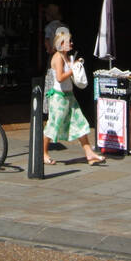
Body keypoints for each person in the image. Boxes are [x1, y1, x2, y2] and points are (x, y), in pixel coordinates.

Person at [43, 26, 105, 166]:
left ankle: (89, 153)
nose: (71, 43)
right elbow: (59, 78)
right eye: (68, 41)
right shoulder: (58, 57)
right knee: (53, 125)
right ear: (61, 43)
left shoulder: (65, 57)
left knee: (80, 123)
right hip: (59, 98)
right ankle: (43, 153)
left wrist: (75, 65)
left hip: (69, 96)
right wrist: (72, 70)